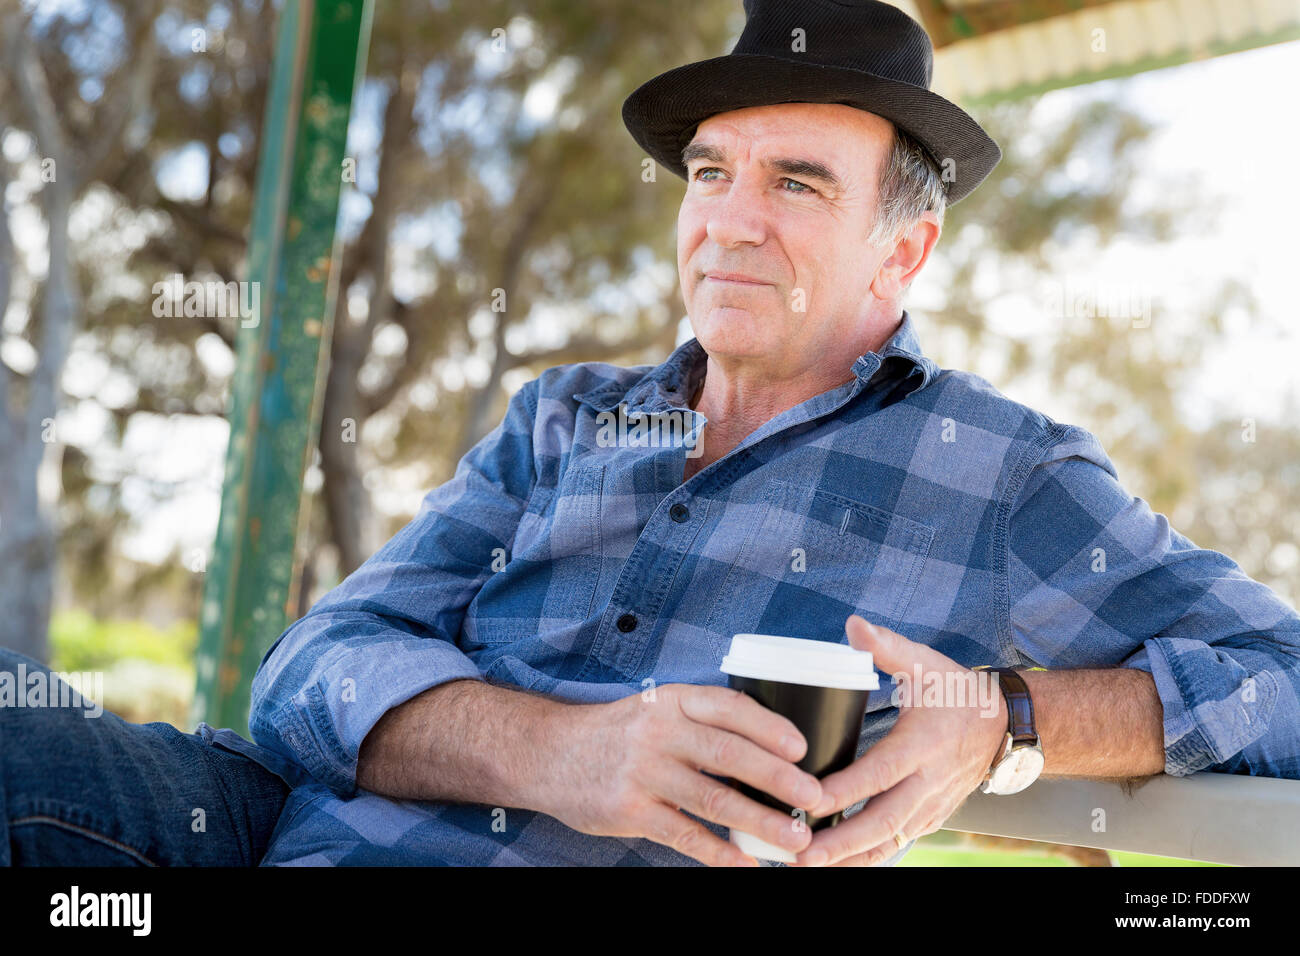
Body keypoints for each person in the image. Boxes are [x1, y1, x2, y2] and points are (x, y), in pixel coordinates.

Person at [4, 0, 1297, 868]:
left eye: (797, 183)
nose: (730, 221)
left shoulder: (1007, 476)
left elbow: (1282, 681)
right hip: (246, 828)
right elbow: (302, 673)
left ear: (902, 250)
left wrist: (1009, 717)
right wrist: (565, 753)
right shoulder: (559, 416)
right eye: (712, 173)